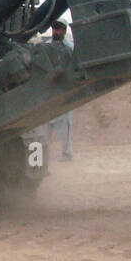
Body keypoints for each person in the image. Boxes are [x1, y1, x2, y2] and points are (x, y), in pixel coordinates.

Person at [48, 20, 75, 160]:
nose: (56, 32)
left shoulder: (70, 48)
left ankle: (67, 153)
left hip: (63, 92)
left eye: (59, 29)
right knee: (45, 126)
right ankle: (43, 157)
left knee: (64, 124)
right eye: (54, 29)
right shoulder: (46, 46)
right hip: (48, 92)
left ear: (64, 31)